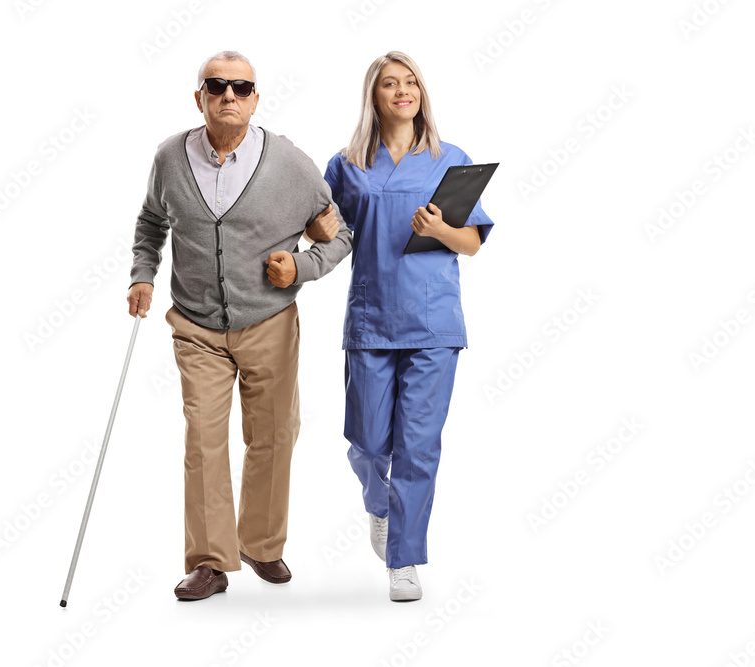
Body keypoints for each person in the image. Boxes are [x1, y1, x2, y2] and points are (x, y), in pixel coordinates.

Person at [128, 51, 352, 601]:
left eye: (241, 87)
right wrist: (143, 275)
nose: (229, 95)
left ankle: (261, 544)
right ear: (199, 96)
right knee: (203, 439)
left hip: (269, 321)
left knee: (274, 435)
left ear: (255, 99)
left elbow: (339, 234)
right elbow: (152, 221)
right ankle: (210, 561)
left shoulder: (289, 163)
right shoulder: (169, 158)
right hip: (197, 324)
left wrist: (301, 266)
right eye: (217, 85)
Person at [323, 51, 495, 601]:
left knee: (418, 447)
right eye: (390, 84)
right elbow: (327, 231)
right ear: (374, 96)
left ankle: (405, 558)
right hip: (372, 318)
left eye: (411, 82)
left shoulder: (450, 159)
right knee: (370, 442)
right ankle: (379, 504)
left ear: (422, 93)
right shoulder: (347, 163)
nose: (403, 91)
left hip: (433, 323)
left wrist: (443, 228)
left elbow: (471, 244)